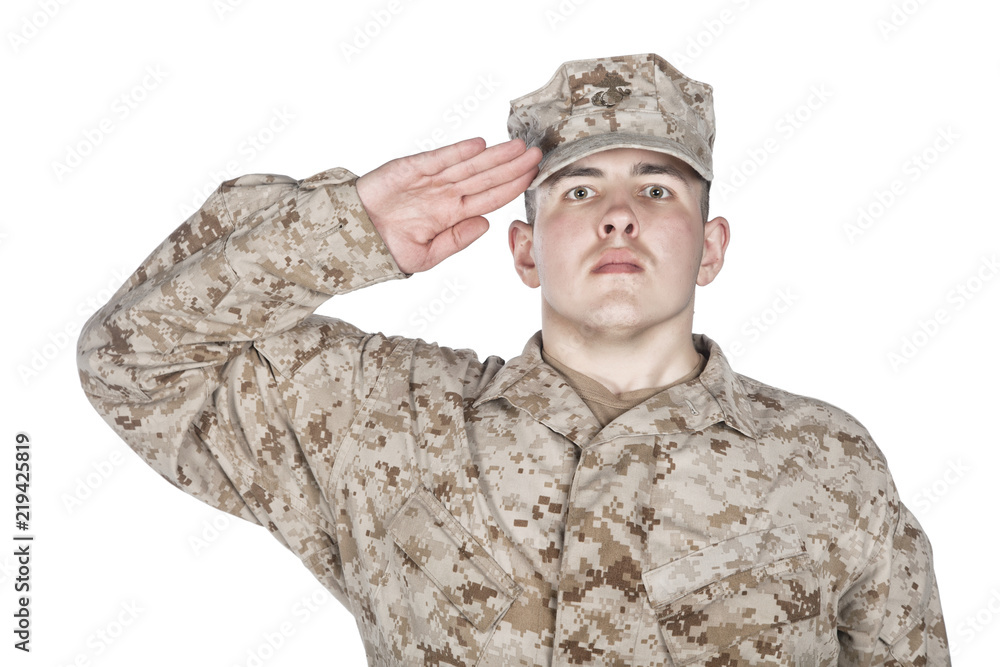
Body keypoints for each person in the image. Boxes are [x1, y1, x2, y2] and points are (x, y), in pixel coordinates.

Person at [77, 53, 950, 665]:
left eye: (656, 188)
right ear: (526, 251)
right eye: (580, 189)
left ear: (711, 247)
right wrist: (349, 230)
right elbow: (133, 361)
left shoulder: (827, 461)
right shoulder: (384, 416)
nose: (618, 215)